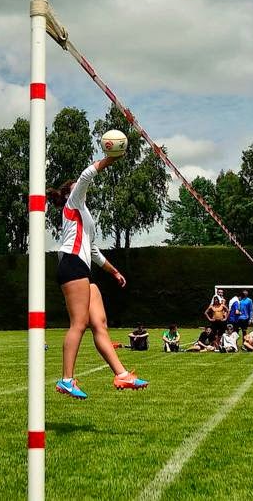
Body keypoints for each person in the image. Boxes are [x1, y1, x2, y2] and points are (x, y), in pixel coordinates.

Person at [47, 156, 148, 399]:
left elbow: (93, 252)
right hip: (71, 264)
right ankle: (66, 380)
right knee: (79, 324)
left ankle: (121, 375)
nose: (82, 188)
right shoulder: (73, 202)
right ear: (71, 192)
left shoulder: (85, 215)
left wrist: (114, 272)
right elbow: (86, 176)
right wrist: (111, 158)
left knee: (100, 325)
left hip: (83, 268)